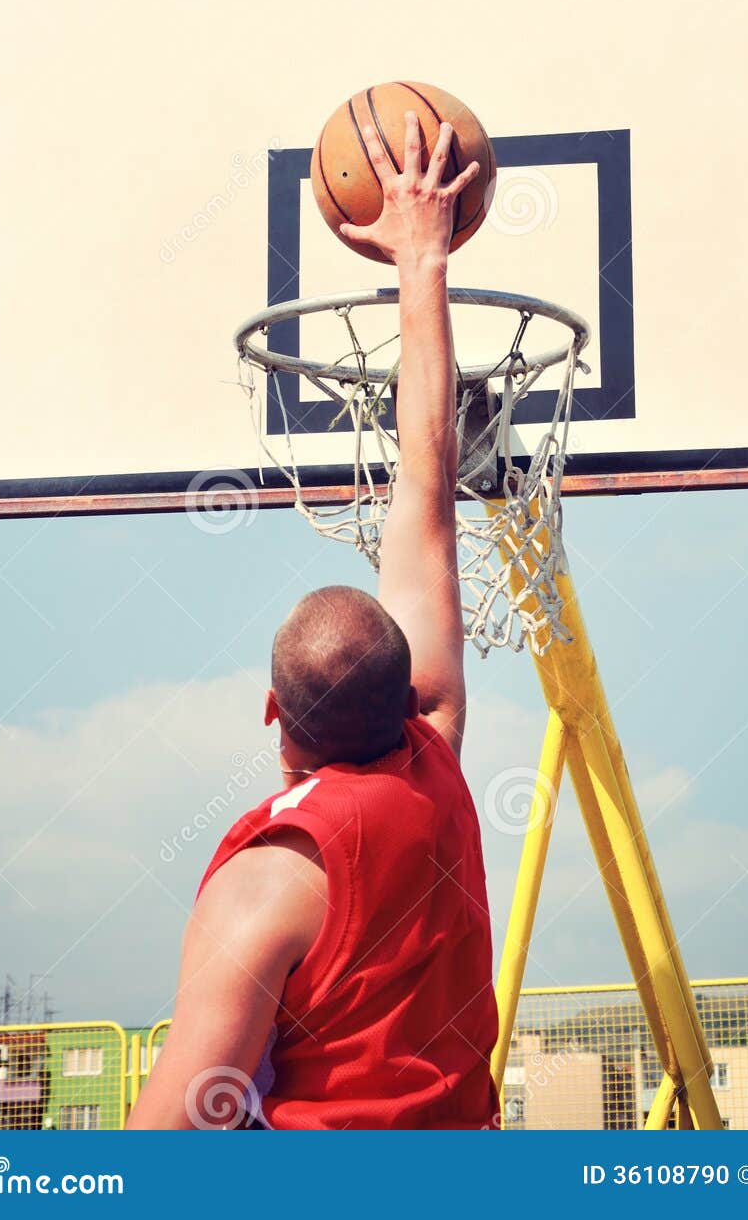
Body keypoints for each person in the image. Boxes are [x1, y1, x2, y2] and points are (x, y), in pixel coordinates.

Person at [128, 114, 499, 1130]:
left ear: (270, 711)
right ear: (409, 691)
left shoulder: (268, 883)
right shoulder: (437, 760)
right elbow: (424, 479)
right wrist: (422, 255)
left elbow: (158, 1153)